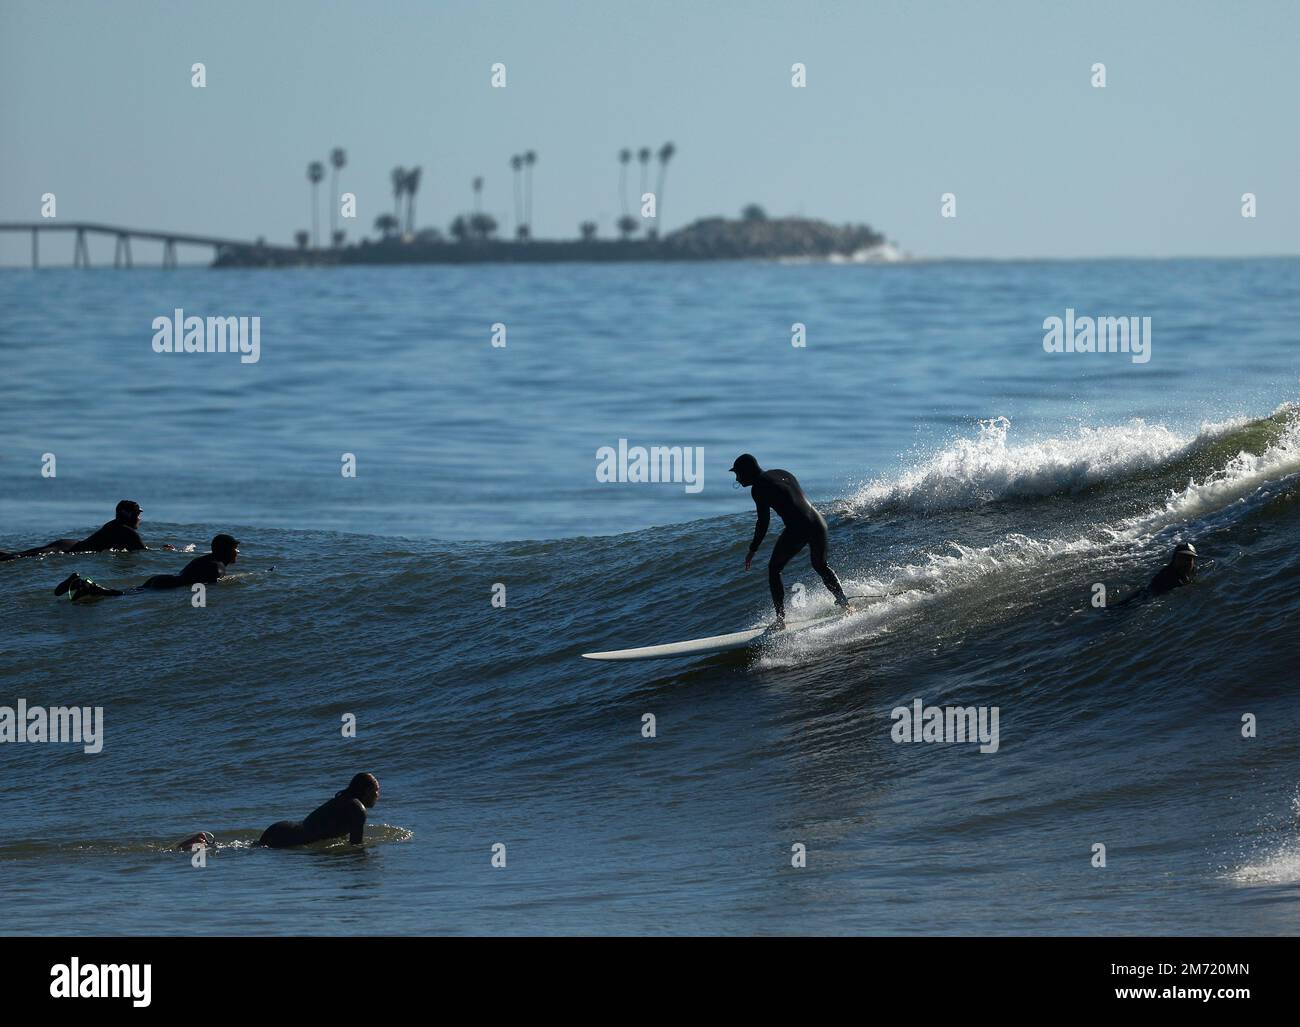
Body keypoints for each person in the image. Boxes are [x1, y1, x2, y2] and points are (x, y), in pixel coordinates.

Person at [730, 453, 851, 628]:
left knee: (774, 569)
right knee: (820, 565)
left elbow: (763, 522)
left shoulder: (758, 488)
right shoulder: (781, 472)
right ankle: (845, 604)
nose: (738, 479)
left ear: (747, 472)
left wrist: (752, 549)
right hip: (818, 522)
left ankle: (780, 620)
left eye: (738, 474)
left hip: (798, 528)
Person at [53, 534, 240, 601]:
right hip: (166, 585)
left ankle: (84, 587)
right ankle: (86, 585)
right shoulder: (217, 567)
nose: (237, 552)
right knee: (121, 597)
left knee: (123, 594)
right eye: (234, 548)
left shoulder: (208, 559)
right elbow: (207, 587)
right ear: (225, 550)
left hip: (163, 580)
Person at [0, 499, 175, 561]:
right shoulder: (126, 531)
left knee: (17, 554)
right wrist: (167, 552)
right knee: (15, 558)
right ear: (128, 514)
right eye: (137, 514)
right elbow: (143, 553)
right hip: (70, 549)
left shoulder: (114, 525)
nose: (140, 518)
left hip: (68, 544)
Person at [256, 774, 381, 849]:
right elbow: (356, 846)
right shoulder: (358, 809)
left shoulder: (343, 800)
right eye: (376, 791)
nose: (378, 795)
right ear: (368, 791)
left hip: (279, 830)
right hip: (289, 838)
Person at [1115, 541, 1204, 605]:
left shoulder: (1191, 570)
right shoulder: (1168, 577)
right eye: (1182, 558)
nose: (1185, 562)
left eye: (1189, 559)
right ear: (1174, 559)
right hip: (1142, 598)